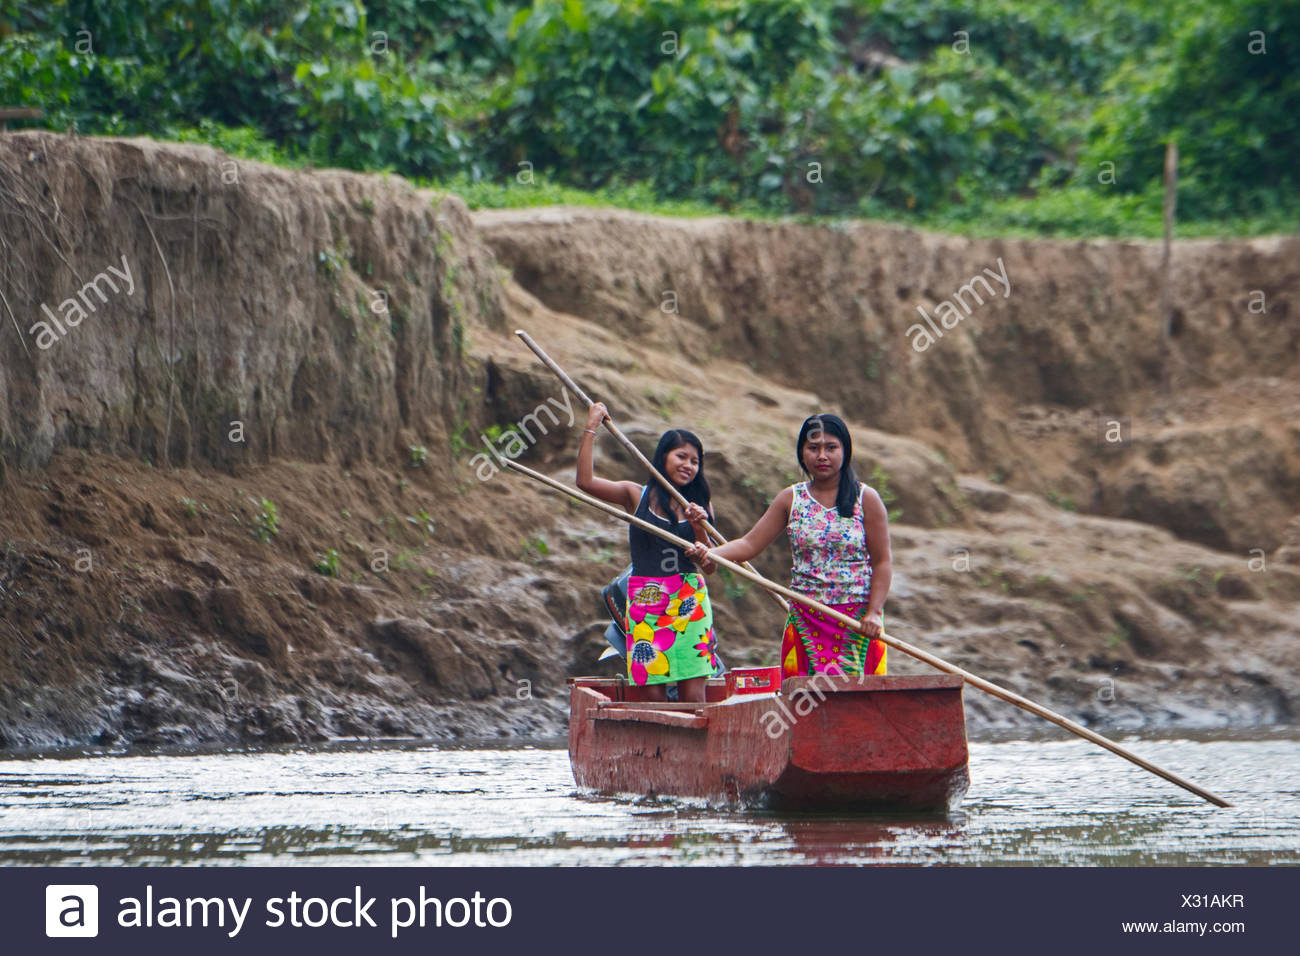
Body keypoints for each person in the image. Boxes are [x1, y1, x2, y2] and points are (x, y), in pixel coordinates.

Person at [686, 414, 891, 678]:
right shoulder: (791, 498)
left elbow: (882, 561)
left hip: (857, 621)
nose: (822, 456)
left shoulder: (866, 499)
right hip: (807, 617)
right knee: (802, 696)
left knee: (859, 698)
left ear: (845, 451)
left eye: (831, 447)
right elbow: (750, 543)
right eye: (813, 448)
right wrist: (710, 553)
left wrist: (873, 612)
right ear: (802, 453)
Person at [576, 402, 719, 702]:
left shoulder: (700, 506)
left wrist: (699, 529)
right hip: (645, 599)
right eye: (681, 456)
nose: (688, 465)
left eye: (695, 461)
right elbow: (585, 482)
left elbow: (710, 566)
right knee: (651, 695)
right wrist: (591, 427)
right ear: (663, 457)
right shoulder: (636, 495)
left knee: (694, 697)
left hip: (689, 602)